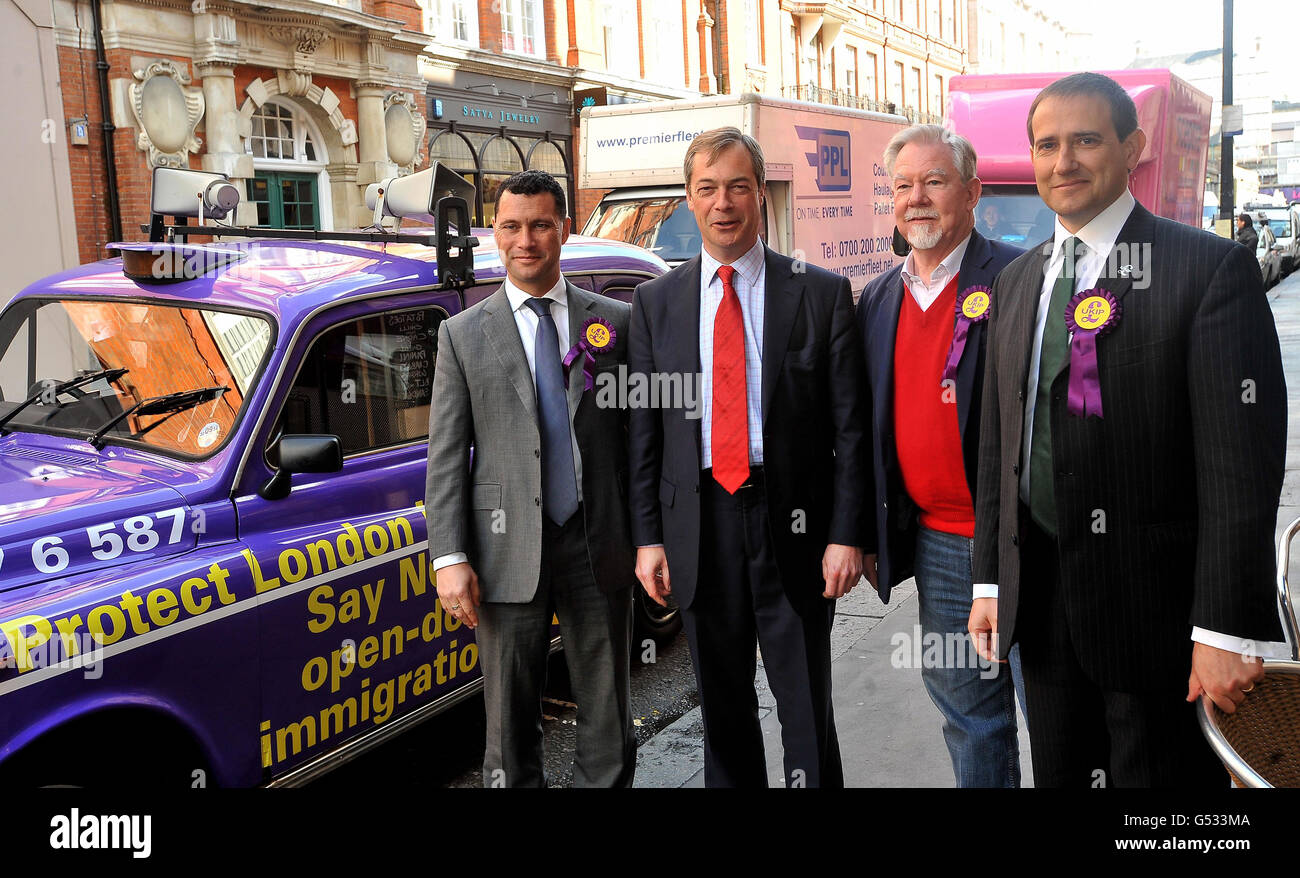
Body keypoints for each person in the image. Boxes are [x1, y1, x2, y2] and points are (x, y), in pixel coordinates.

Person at [968, 72, 1288, 787]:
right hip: (1042, 606)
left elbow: (1241, 467)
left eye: (1086, 140)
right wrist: (990, 577)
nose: (1064, 161)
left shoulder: (1206, 271)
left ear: (1133, 147)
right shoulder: (1018, 282)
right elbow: (1000, 446)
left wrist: (1223, 629)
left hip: (1160, 618)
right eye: (1047, 145)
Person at [627, 127, 872, 788]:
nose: (724, 202)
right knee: (725, 712)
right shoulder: (655, 304)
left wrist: (847, 534)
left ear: (761, 193)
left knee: (805, 709)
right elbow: (646, 432)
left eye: (738, 185)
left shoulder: (818, 293)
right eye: (707, 188)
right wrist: (649, 538)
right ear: (688, 199)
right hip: (700, 525)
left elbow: (852, 430)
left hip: (793, 522)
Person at [425, 169, 637, 787]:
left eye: (541, 224)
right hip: (504, 547)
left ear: (563, 230)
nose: (527, 240)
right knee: (509, 724)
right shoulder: (462, 334)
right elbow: (446, 457)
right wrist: (450, 556)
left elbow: (639, 440)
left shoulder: (616, 323)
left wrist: (649, 535)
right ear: (495, 233)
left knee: (607, 710)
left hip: (597, 544)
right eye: (513, 226)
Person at [856, 124, 1026, 787]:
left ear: (973, 191)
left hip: (1026, 539)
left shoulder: (1018, 276)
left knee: (1055, 712)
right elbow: (861, 429)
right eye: (903, 186)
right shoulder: (877, 298)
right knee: (970, 714)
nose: (916, 198)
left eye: (934, 181)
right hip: (941, 547)